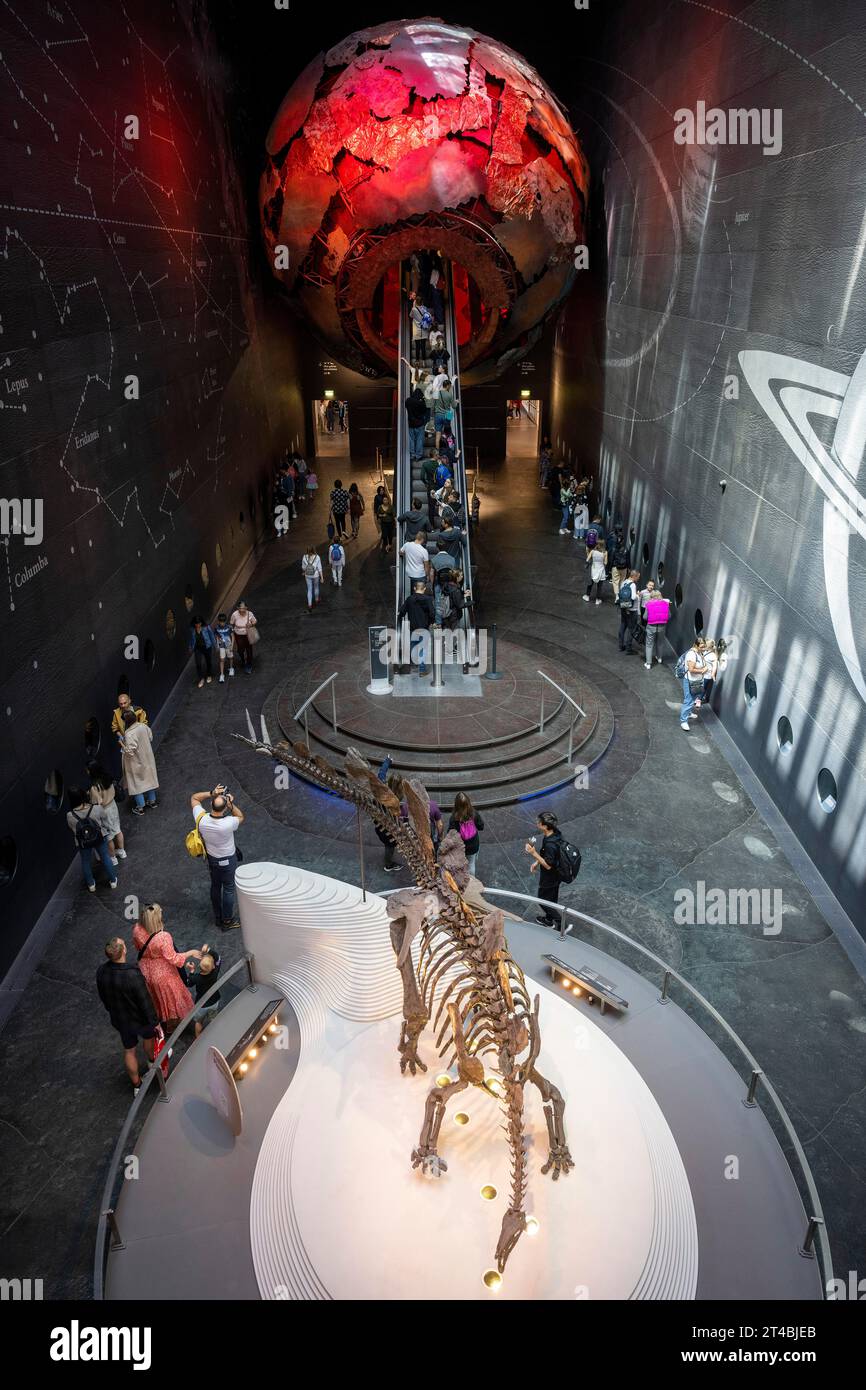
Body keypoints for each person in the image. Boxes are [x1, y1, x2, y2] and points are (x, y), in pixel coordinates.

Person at [96, 938, 158, 1093]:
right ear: (123, 950)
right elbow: (145, 1001)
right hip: (140, 1019)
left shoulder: (101, 971)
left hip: (121, 1019)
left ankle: (137, 1086)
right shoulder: (132, 974)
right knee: (149, 1039)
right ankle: (152, 1062)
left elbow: (102, 995)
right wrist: (155, 1022)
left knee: (129, 1050)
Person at [133, 903, 200, 1031]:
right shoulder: (163, 937)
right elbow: (173, 958)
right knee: (172, 998)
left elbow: (138, 947)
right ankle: (173, 1024)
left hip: (146, 971)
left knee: (158, 998)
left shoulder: (137, 929)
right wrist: (190, 953)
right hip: (164, 974)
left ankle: (166, 1024)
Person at [191, 784, 245, 929]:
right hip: (228, 861)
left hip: (212, 860)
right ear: (225, 809)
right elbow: (240, 816)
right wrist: (231, 805)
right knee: (228, 889)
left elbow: (195, 798)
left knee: (215, 886)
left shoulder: (201, 819)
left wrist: (212, 792)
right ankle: (227, 920)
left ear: (211, 805)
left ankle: (218, 917)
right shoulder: (228, 823)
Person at [67, 786, 118, 891]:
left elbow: (72, 829)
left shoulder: (69, 815)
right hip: (99, 837)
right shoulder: (96, 808)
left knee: (85, 862)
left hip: (83, 842)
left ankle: (91, 885)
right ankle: (113, 881)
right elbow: (104, 819)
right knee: (105, 857)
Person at [525, 812, 567, 927]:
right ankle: (548, 921)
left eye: (539, 822)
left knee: (543, 900)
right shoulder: (555, 834)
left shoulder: (550, 844)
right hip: (557, 875)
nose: (537, 823)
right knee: (551, 899)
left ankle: (562, 923)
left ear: (545, 826)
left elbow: (548, 865)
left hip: (550, 877)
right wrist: (537, 862)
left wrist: (533, 853)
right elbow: (548, 856)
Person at [119, 710, 158, 814]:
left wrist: (122, 744)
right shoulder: (143, 726)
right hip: (147, 758)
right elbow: (150, 737)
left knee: (136, 784)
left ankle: (140, 807)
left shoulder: (129, 733)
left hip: (135, 762)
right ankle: (152, 801)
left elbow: (130, 751)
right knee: (149, 780)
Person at [87, 763, 126, 864]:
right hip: (113, 805)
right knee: (117, 829)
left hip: (104, 810)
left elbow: (96, 802)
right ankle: (122, 851)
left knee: (108, 837)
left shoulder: (94, 787)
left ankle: (113, 858)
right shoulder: (108, 778)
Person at [398, 580, 434, 676]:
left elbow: (402, 611)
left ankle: (412, 662)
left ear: (414, 588)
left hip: (413, 628)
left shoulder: (410, 599)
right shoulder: (428, 599)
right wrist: (431, 622)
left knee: (413, 645)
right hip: (424, 628)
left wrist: (400, 616)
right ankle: (422, 670)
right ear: (424, 589)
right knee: (423, 649)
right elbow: (432, 613)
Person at [184, 945, 222, 1037]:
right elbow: (218, 958)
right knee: (213, 1019)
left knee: (199, 1022)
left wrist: (191, 971)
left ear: (199, 966)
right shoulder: (214, 973)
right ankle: (216, 1033)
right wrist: (208, 950)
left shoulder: (196, 978)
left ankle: (197, 1038)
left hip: (201, 1005)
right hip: (214, 1002)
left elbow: (188, 983)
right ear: (213, 967)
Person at [449, 792, 484, 878]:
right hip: (473, 844)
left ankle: (462, 879)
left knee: (462, 863)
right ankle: (472, 881)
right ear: (468, 802)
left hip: (461, 846)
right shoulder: (474, 813)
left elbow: (451, 833)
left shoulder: (454, 818)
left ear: (456, 804)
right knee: (471, 863)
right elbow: (481, 826)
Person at [679, 639, 707, 731]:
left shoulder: (699, 653)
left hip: (697, 681)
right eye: (702, 647)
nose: (704, 648)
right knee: (688, 700)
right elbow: (691, 669)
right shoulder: (692, 654)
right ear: (696, 645)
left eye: (704, 646)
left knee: (693, 698)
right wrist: (703, 670)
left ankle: (689, 713)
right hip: (690, 681)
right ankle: (683, 721)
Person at [640, 581, 669, 669]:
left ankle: (648, 663)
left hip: (651, 627)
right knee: (660, 642)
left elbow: (645, 617)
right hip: (662, 627)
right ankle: (659, 658)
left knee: (649, 644)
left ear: (652, 596)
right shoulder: (665, 604)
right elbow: (669, 616)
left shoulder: (649, 604)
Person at [617, 569, 641, 653]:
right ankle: (628, 648)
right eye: (638, 577)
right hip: (632, 610)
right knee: (631, 628)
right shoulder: (633, 585)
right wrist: (638, 595)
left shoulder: (624, 582)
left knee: (623, 625)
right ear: (634, 576)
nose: (638, 578)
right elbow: (633, 597)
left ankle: (620, 646)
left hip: (623, 607)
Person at [230, 600, 257, 674]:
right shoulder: (234, 614)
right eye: (240, 608)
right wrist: (232, 631)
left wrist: (251, 625)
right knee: (240, 650)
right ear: (237, 608)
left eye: (243, 608)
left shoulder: (250, 613)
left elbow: (255, 621)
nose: (242, 610)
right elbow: (231, 623)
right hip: (238, 635)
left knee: (249, 650)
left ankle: (249, 665)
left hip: (247, 634)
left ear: (246, 608)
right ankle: (243, 660)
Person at [189, 616, 216, 688]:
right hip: (198, 648)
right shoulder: (192, 629)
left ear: (201, 622)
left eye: (199, 623)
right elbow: (191, 639)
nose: (198, 625)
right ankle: (201, 679)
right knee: (198, 664)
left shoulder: (206, 627)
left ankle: (209, 675)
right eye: (196, 624)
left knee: (208, 662)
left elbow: (212, 636)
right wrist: (190, 647)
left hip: (207, 647)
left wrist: (215, 646)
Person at [405, 383, 428, 463]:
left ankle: (412, 455)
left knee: (411, 440)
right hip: (420, 424)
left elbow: (406, 406)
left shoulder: (408, 401)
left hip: (411, 424)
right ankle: (418, 455)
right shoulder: (421, 403)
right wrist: (422, 400)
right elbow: (425, 411)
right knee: (419, 440)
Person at [583, 537, 608, 605]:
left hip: (593, 570)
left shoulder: (593, 551)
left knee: (590, 584)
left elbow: (587, 560)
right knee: (599, 586)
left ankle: (587, 596)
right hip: (601, 571)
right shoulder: (605, 553)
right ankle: (597, 600)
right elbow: (605, 563)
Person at [608, 528, 631, 601]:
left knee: (615, 582)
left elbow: (611, 559)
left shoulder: (614, 549)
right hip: (624, 568)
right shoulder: (626, 549)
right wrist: (629, 568)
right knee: (622, 581)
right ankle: (622, 595)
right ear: (623, 540)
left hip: (615, 567)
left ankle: (617, 596)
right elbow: (628, 559)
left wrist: (609, 568)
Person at [432, 377, 454, 451]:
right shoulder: (449, 395)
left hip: (437, 415)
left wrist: (432, 414)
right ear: (447, 386)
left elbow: (433, 404)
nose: (450, 387)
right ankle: (449, 450)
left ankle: (437, 452)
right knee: (448, 434)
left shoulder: (436, 393)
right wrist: (456, 402)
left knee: (438, 435)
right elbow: (454, 406)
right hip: (447, 415)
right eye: (450, 386)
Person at [212, 612, 234, 681]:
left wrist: (232, 646)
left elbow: (233, 636)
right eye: (221, 622)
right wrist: (217, 643)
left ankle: (231, 668)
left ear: (225, 621)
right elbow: (216, 635)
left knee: (230, 657)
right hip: (221, 645)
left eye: (223, 622)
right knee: (222, 659)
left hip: (228, 645)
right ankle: (222, 675)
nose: (222, 623)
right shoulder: (216, 628)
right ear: (218, 621)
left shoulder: (229, 627)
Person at [700, 639, 718, 708]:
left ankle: (699, 700)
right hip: (702, 673)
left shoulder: (713, 656)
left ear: (708, 646)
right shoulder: (706, 652)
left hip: (707, 675)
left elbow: (715, 666)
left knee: (703, 688)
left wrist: (713, 674)